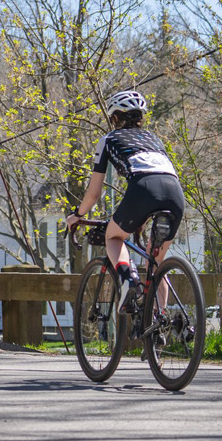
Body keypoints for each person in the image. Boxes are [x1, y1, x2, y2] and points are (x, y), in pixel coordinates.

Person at [64, 90, 186, 293]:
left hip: (143, 187)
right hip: (175, 192)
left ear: (114, 118)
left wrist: (78, 215)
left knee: (113, 237)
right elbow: (159, 183)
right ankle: (162, 320)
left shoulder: (109, 139)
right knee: (155, 265)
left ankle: (129, 280)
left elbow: (94, 193)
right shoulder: (155, 140)